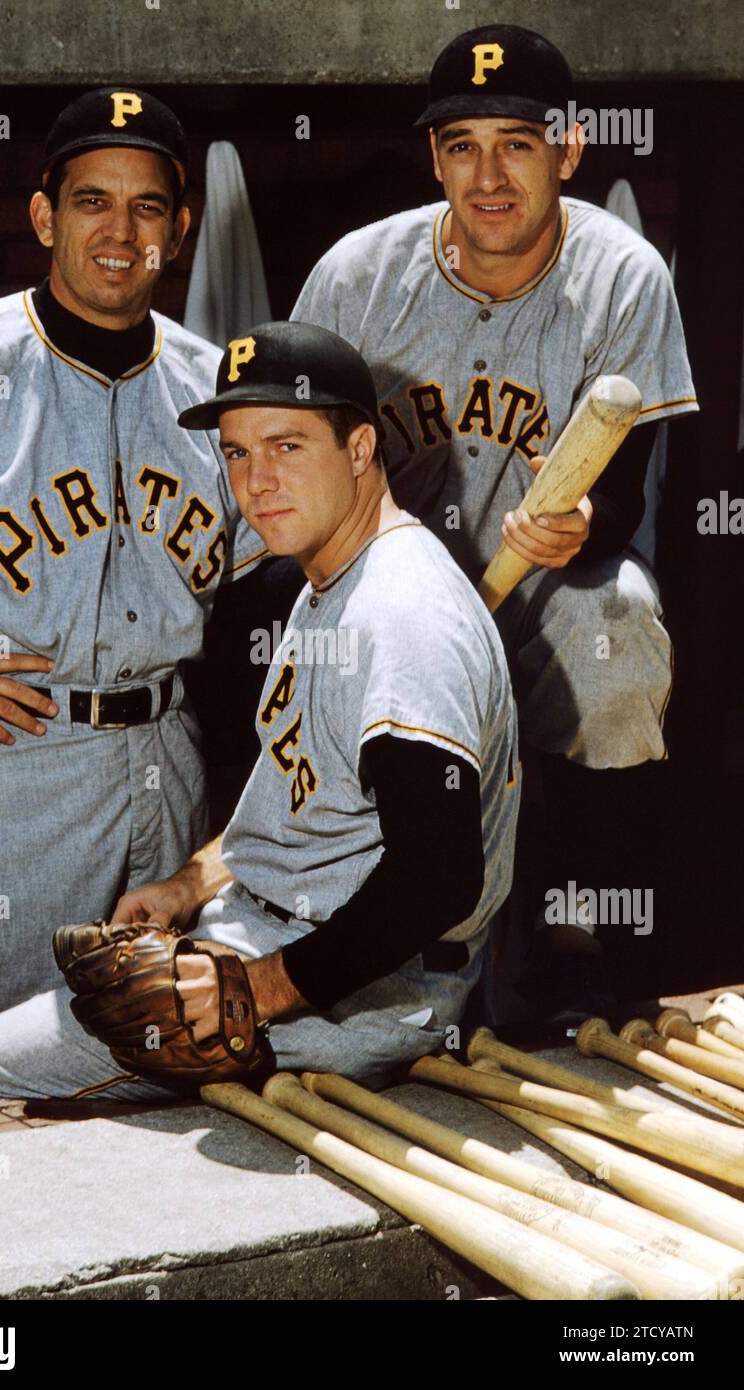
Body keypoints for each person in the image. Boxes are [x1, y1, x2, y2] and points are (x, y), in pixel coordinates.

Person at [0, 321, 520, 1112]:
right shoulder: (330, 575)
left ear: (362, 448)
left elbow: (436, 880)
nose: (256, 480)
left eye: (287, 445)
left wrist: (254, 989)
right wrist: (190, 883)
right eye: (237, 452)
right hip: (265, 934)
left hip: (363, 996)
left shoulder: (400, 612)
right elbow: (314, 802)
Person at [0, 87, 269, 1120]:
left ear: (181, 232)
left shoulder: (211, 385)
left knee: (140, 1066)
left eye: (146, 208)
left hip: (160, 762)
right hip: (10, 762)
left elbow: (290, 558)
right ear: (46, 216)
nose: (119, 232)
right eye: (93, 200)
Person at [290, 24, 697, 1015]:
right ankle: (366, 962)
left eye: (517, 142)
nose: (488, 175)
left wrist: (582, 523)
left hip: (540, 578)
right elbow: (297, 470)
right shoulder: (357, 274)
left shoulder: (623, 274)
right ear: (433, 158)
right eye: (461, 144)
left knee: (616, 627)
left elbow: (624, 499)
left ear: (568, 149)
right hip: (390, 582)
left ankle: (580, 951)